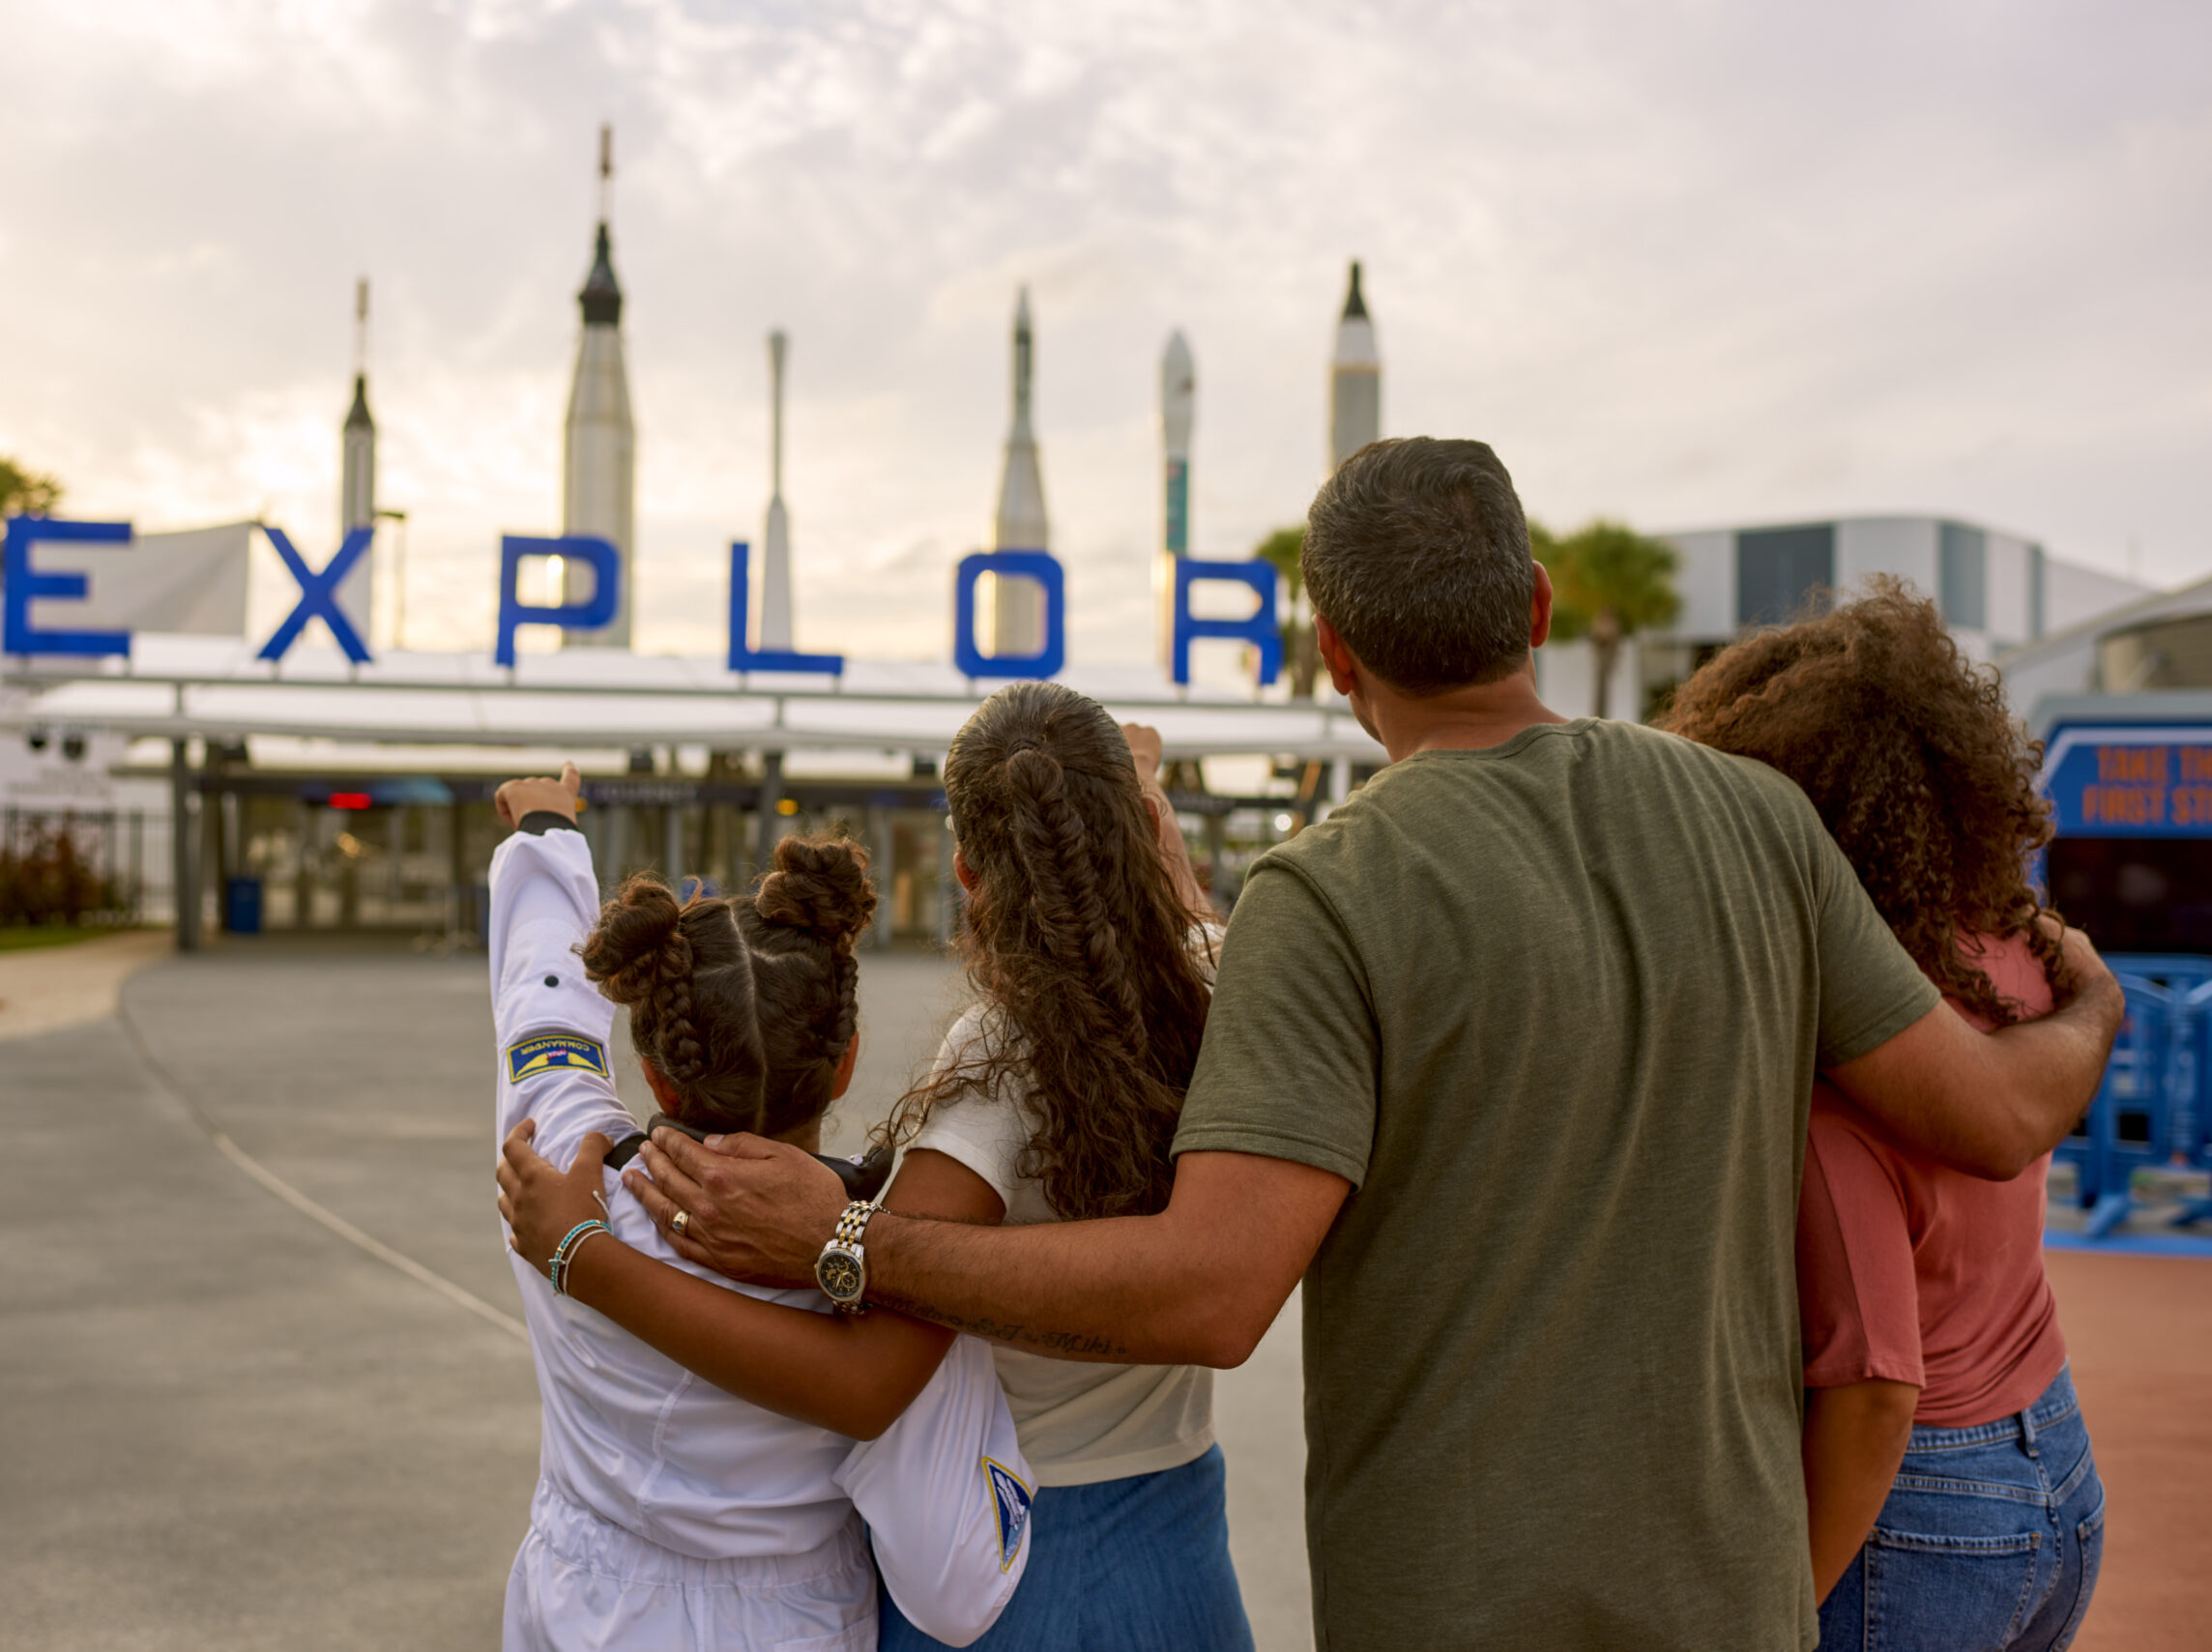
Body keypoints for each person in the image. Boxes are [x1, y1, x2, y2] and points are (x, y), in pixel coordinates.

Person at [509, 436, 2129, 1652]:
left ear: (1333, 655)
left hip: (1456, 1596)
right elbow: (1990, 1117)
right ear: (1544, 607)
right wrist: (2093, 1013)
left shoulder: (1332, 891)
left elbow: (1213, 1289)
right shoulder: (1761, 820)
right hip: (1730, 1579)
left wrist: (855, 1236)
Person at [500, 685, 1254, 1650]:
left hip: (1012, 1548)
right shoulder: (1222, 979)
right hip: (1176, 1529)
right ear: (1144, 827)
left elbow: (868, 1380)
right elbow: (1183, 918)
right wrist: (1135, 792)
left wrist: (584, 1255)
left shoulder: (998, 1058)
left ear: (966, 872)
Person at [482, 768, 1033, 1652]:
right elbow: (954, 1585)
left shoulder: (555, 1175)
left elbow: (540, 1003)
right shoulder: (878, 1273)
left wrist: (548, 830)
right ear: (847, 1061)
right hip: (787, 1626)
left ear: (656, 1070)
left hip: (571, 1604)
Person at [1659, 579, 2107, 1651]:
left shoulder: (1833, 1083)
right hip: (2056, 1459)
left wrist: (1770, 1619)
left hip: (1922, 1516)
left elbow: (1873, 1388)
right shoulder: (2010, 955)